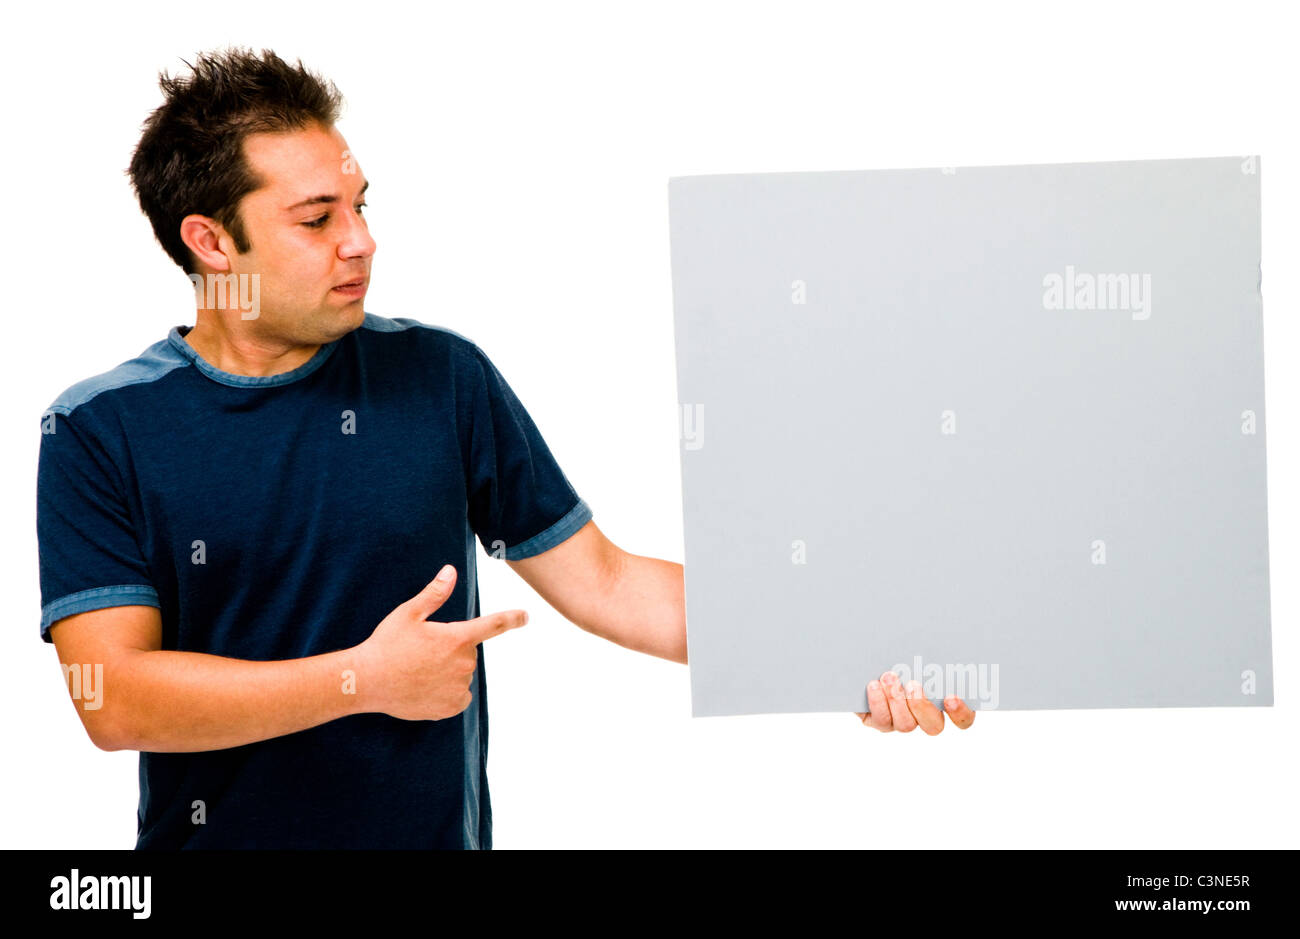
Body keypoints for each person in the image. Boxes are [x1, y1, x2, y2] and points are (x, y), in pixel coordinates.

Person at [36, 47, 974, 850]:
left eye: (362, 205)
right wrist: (364, 679)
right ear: (210, 241)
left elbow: (608, 583)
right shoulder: (98, 428)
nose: (361, 242)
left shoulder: (441, 376)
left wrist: (842, 645)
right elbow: (113, 696)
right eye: (316, 219)